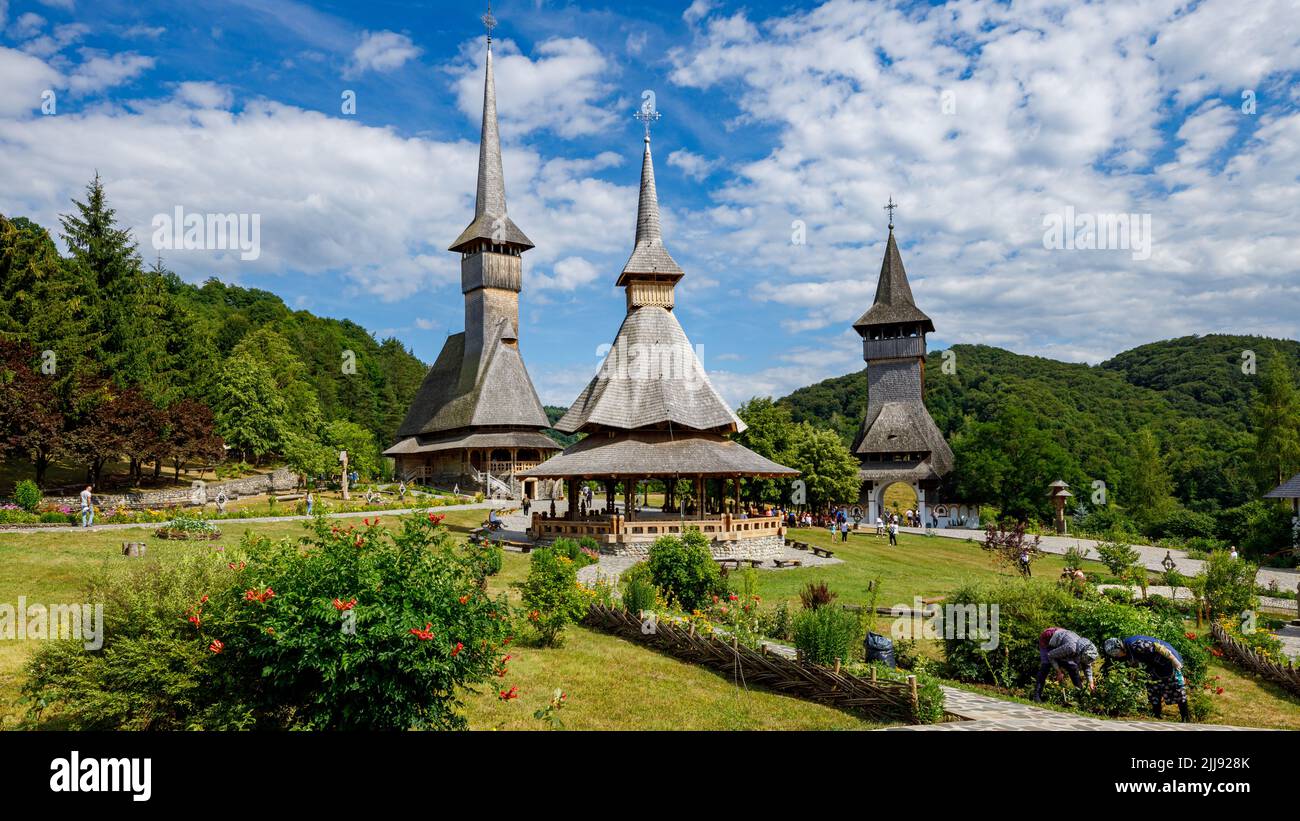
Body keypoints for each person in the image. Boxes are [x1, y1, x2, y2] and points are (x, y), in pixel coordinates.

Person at [1103, 636, 1191, 722]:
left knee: (1176, 688)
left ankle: (1185, 718)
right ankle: (1156, 715)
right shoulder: (1127, 649)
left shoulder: (1136, 645)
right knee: (1152, 687)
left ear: (1119, 647)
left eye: (1117, 653)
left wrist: (1173, 660)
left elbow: (1158, 647)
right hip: (1155, 664)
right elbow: (1135, 663)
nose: (1117, 656)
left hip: (1168, 659)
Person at [1033, 627, 1098, 702]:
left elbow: (1087, 665)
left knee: (1073, 667)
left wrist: (1091, 683)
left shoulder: (1085, 650)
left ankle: (1080, 696)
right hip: (1047, 638)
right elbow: (1050, 655)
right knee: (1046, 666)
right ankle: (1036, 696)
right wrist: (1058, 671)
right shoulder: (1071, 648)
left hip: (1062, 641)